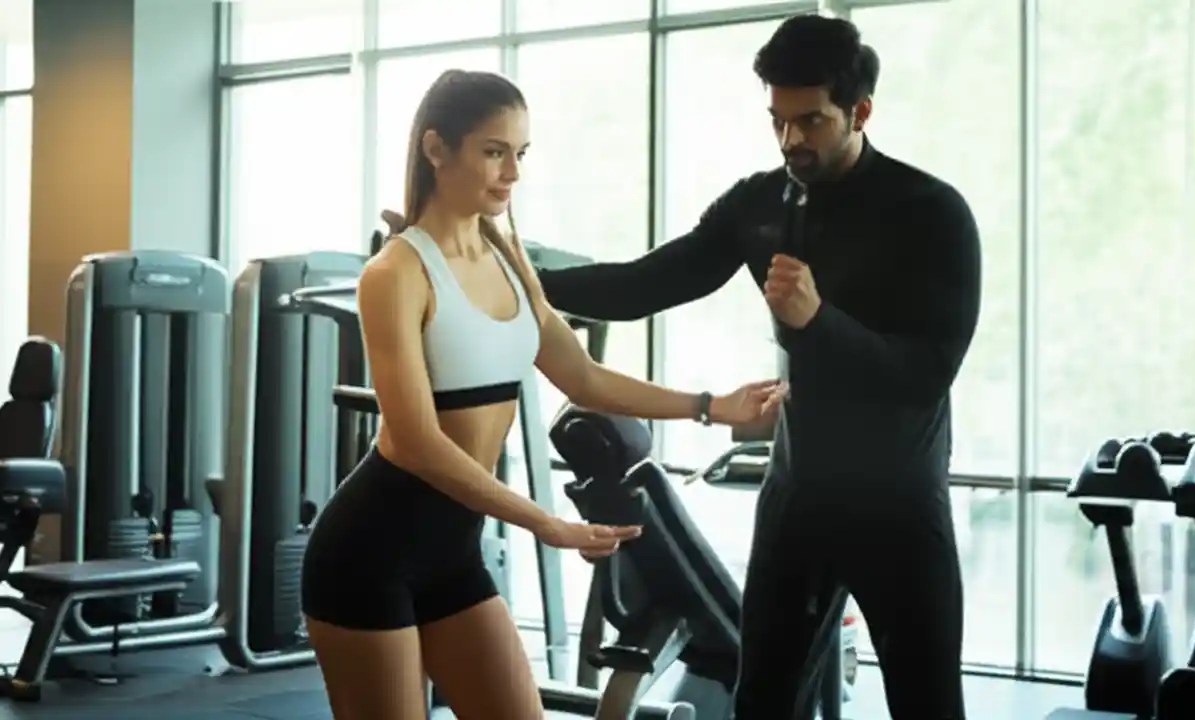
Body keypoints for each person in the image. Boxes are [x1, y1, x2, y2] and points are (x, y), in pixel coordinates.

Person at [300, 69, 786, 720]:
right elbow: (416, 443)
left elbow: (582, 377)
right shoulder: (395, 273)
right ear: (437, 149)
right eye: (494, 152)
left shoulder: (508, 258)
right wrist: (545, 523)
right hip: (369, 551)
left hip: (452, 555)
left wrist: (710, 406)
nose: (512, 173)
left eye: (520, 154)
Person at [538, 15, 980, 720]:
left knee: (927, 705)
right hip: (798, 499)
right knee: (762, 702)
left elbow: (925, 374)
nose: (790, 140)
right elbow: (644, 285)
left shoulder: (932, 214)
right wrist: (514, 271)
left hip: (897, 507)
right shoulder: (760, 204)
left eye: (812, 121)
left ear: (861, 111)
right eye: (777, 120)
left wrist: (817, 321)